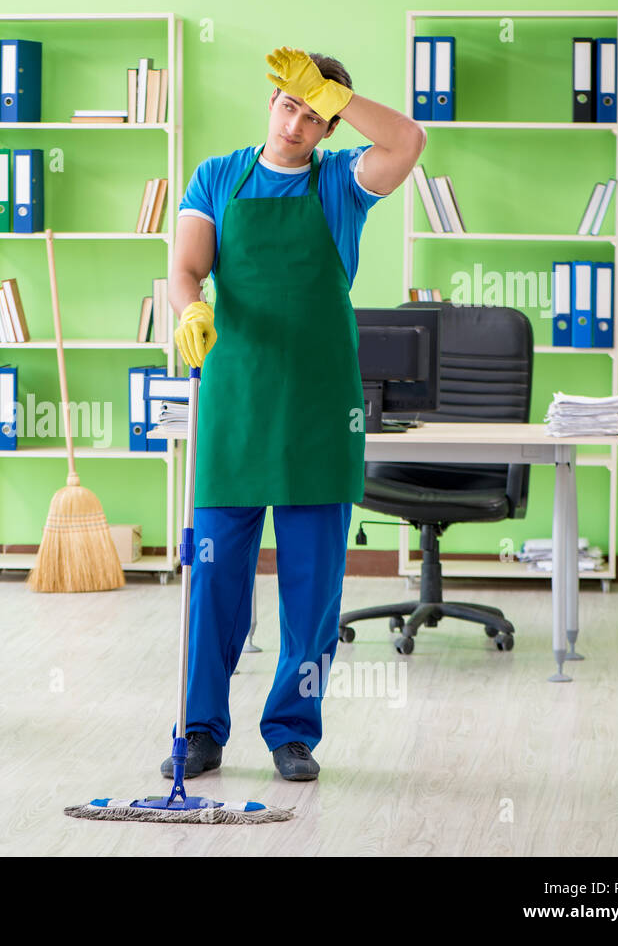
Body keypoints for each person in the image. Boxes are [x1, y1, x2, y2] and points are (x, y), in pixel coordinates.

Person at [165, 47, 425, 781]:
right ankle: (199, 729)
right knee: (215, 579)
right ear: (272, 100)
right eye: (290, 103)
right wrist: (192, 310)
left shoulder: (342, 183)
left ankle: (292, 730)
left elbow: (408, 142)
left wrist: (338, 94)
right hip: (235, 404)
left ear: (330, 126)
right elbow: (187, 269)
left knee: (312, 589)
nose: (296, 123)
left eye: (315, 115)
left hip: (318, 410)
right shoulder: (219, 177)